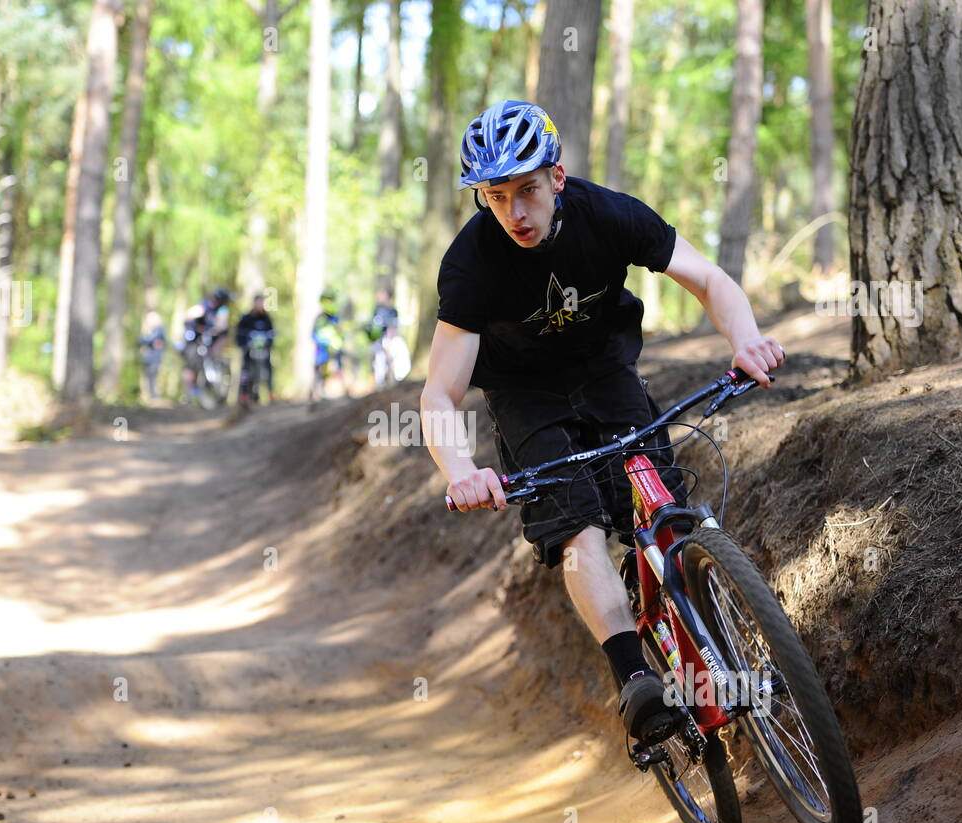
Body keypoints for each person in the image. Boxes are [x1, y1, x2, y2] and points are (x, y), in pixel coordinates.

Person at [420, 100, 785, 748]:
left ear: (557, 176)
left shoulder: (608, 214)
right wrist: (463, 470)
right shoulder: (471, 263)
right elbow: (440, 395)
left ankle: (708, 633)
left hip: (608, 370)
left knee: (660, 504)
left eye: (528, 190)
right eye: (496, 197)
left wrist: (747, 339)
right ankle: (636, 679)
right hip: (525, 395)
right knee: (579, 532)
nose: (516, 213)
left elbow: (706, 278)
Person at [234, 292, 275, 405]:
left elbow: (272, 333)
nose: (260, 305)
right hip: (249, 350)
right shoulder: (246, 318)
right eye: (258, 302)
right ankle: (244, 395)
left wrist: (269, 343)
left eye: (262, 303)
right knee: (245, 371)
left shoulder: (266, 318)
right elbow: (239, 333)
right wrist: (243, 344)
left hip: (263, 350)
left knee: (268, 370)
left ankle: (271, 393)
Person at [368, 287, 409, 388]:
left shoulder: (393, 310)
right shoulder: (377, 309)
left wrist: (390, 339)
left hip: (390, 340)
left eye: (383, 293)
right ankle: (380, 386)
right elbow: (374, 327)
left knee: (392, 361)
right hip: (378, 342)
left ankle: (392, 385)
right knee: (379, 363)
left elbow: (394, 326)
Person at [312, 290, 346, 401]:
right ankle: (317, 392)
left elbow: (341, 333)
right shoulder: (320, 318)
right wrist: (324, 342)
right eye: (329, 300)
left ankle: (342, 390)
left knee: (338, 367)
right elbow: (314, 335)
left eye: (332, 300)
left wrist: (340, 338)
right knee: (321, 368)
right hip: (322, 350)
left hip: (336, 349)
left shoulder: (335, 318)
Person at [138, 311, 166, 400]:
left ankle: (154, 395)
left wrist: (143, 339)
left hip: (155, 358)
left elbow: (148, 340)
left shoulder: (159, 329)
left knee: (153, 376)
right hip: (149, 358)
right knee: (149, 376)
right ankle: (151, 395)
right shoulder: (152, 330)